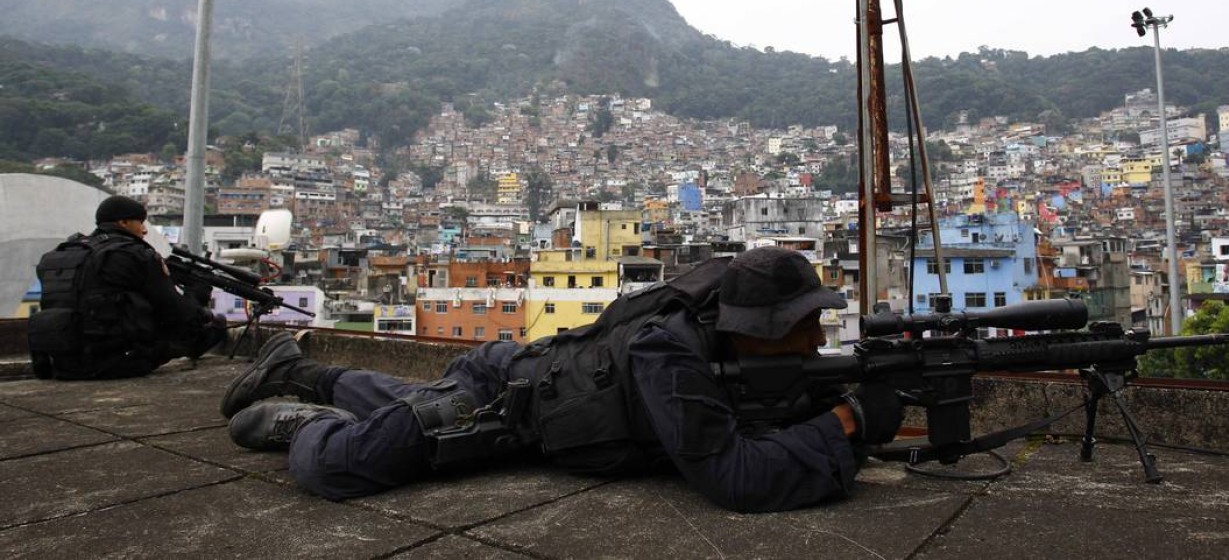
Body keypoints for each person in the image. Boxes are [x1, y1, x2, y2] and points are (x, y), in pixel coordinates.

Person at [220, 247, 904, 512]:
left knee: (402, 399)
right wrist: (847, 425)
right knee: (346, 467)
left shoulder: (739, 349)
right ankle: (306, 422)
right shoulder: (672, 350)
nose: (817, 337)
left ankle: (300, 369)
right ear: (753, 323)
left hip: (539, 411)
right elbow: (733, 476)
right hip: (501, 395)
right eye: (800, 322)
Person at [28, 195, 227, 380]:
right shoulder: (134, 254)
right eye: (140, 222)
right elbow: (180, 314)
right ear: (123, 223)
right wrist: (198, 293)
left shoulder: (59, 255)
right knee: (207, 324)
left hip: (61, 364)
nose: (145, 230)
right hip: (116, 362)